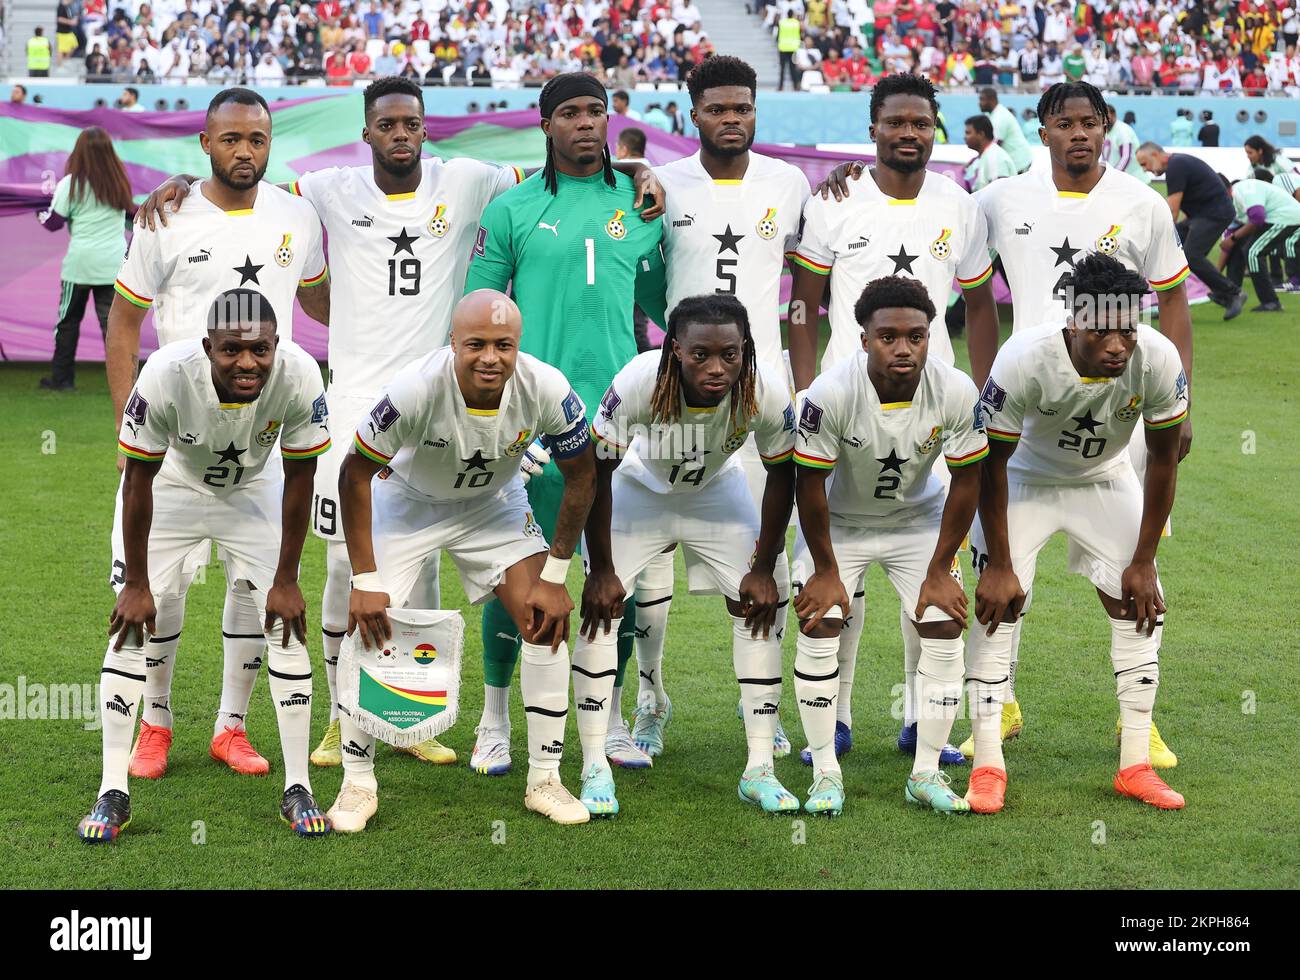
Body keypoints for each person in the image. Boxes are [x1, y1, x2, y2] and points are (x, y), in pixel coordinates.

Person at [106, 88, 329, 782]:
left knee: (256, 593)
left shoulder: (298, 215)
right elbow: (122, 321)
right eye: (230, 139)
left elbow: (322, 297)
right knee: (158, 594)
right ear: (205, 143)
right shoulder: (166, 217)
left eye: (257, 139)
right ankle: (156, 722)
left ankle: (231, 727)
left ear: (270, 143)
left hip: (261, 443)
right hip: (176, 442)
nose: (245, 151)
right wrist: (127, 422)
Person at [971, 81, 1191, 767]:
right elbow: (976, 294)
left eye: (1090, 123)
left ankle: (1138, 721)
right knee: (1004, 576)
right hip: (1028, 400)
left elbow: (1174, 297)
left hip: (1110, 408)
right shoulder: (1001, 197)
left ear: (1107, 127)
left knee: (1127, 575)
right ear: (1041, 131)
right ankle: (997, 700)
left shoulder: (1140, 203)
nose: (1078, 134)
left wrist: (1184, 394)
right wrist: (985, 391)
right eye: (1063, 123)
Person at [463, 73, 667, 778]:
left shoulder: (641, 204)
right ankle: (493, 722)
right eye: (570, 113)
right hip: (535, 424)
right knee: (517, 572)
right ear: (546, 124)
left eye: (596, 112)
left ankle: (606, 717)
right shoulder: (512, 209)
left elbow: (667, 303)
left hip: (621, 420)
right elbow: (478, 314)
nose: (586, 123)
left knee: (619, 579)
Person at [791, 72, 997, 768]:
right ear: (873, 128)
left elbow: (981, 306)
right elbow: (805, 306)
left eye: (920, 123)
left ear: (934, 129)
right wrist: (802, 390)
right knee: (834, 578)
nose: (908, 133)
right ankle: (839, 718)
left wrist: (986, 393)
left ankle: (920, 721)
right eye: (895, 122)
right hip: (847, 405)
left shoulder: (959, 205)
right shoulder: (834, 199)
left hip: (934, 410)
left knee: (932, 573)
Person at [333, 290, 597, 828]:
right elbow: (353, 472)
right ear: (452, 342)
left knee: (544, 622)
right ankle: (356, 785)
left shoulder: (546, 387)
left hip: (492, 505)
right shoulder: (414, 388)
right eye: (476, 344)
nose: (490, 357)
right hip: (408, 504)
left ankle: (545, 778)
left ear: (518, 346)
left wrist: (555, 573)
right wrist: (364, 578)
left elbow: (583, 474)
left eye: (504, 345)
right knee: (366, 627)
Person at [77, 288, 334, 842]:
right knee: (132, 624)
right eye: (232, 350)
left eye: (260, 349)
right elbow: (138, 480)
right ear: (207, 346)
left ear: (276, 345)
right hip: (171, 486)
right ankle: (112, 790)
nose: (248, 362)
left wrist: (287, 579)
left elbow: (302, 479)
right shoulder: (166, 375)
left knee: (284, 626)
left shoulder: (300, 376)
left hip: (256, 490)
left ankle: (297, 785)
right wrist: (138, 583)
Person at [965, 252, 1188, 814]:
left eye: (1126, 330)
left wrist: (1143, 557)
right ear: (1073, 321)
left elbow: (1163, 460)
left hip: (1105, 478)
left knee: (1142, 603)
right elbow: (991, 463)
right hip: (1023, 480)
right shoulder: (1022, 357)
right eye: (1101, 331)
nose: (1116, 345)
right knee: (999, 605)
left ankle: (1135, 763)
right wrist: (998, 562)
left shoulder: (1157, 358)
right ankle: (988, 762)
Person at [633, 55, 808, 762]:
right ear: (693, 112)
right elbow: (644, 278)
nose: (730, 119)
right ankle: (649, 698)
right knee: (649, 567)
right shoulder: (663, 185)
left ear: (755, 111)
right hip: (676, 398)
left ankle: (759, 705)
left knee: (770, 564)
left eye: (742, 108)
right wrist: (673, 341)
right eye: (716, 109)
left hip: (761, 397)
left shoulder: (789, 183)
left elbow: (812, 273)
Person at [583, 294, 797, 815]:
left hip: (715, 494)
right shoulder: (638, 380)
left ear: (745, 350)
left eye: (730, 354)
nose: (717, 368)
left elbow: (784, 472)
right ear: (674, 350)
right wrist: (603, 569)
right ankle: (595, 760)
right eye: (700, 354)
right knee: (601, 613)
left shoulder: (763, 386)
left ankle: (759, 765)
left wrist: (764, 566)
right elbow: (597, 471)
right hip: (642, 492)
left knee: (767, 600)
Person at [791, 275, 988, 815]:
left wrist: (943, 566)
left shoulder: (954, 389)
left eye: (916, 336)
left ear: (930, 336)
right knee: (821, 619)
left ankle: (925, 771)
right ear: (863, 339)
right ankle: (825, 771)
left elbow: (968, 480)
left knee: (945, 624)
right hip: (839, 524)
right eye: (888, 337)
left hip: (916, 522)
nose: (903, 348)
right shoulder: (828, 394)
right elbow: (807, 487)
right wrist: (826, 570)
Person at [38, 128, 134, 391]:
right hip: (113, 266)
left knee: (67, 324)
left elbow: (53, 223)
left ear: (78, 152)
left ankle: (62, 381)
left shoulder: (70, 184)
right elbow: (132, 216)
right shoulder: (119, 181)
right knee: (114, 328)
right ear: (109, 152)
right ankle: (125, 383)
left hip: (79, 267)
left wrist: (39, 212)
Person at [1136, 141, 1246, 319]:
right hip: (1201, 216)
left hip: (1213, 215)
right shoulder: (1177, 164)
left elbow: (1172, 210)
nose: (1144, 169)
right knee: (1171, 253)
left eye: (1144, 163)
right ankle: (1170, 302)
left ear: (1155, 155)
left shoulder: (1176, 165)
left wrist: (1158, 235)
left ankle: (1233, 293)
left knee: (1190, 256)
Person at [1222, 176, 1300, 312]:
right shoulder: (1235, 202)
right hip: (1279, 217)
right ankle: (1231, 293)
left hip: (1285, 217)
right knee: (1245, 248)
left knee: (1253, 252)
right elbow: (1232, 238)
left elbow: (1257, 217)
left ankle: (1271, 302)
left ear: (1226, 190)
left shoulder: (1242, 190)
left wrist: (1233, 238)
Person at [978, 86, 1033, 173]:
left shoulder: (999, 117)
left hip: (1019, 162)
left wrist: (977, 162)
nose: (979, 103)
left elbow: (994, 146)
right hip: (1016, 161)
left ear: (992, 100)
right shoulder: (994, 114)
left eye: (982, 99)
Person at [964, 114, 1016, 191]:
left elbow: (999, 194)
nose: (965, 137)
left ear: (981, 134)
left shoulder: (994, 158)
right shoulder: (984, 155)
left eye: (968, 133)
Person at [1103, 103, 1144, 180]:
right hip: (1121, 178)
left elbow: (1126, 157)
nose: (1103, 119)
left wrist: (1113, 175)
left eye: (1105, 115)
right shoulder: (1107, 131)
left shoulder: (1122, 131)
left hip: (1133, 179)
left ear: (1114, 115)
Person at [776, 9, 802, 90]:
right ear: (793, 14)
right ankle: (795, 86)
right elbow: (800, 34)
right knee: (793, 68)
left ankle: (781, 87)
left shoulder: (782, 22)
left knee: (782, 69)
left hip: (783, 48)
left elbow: (778, 35)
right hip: (793, 49)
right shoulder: (796, 23)